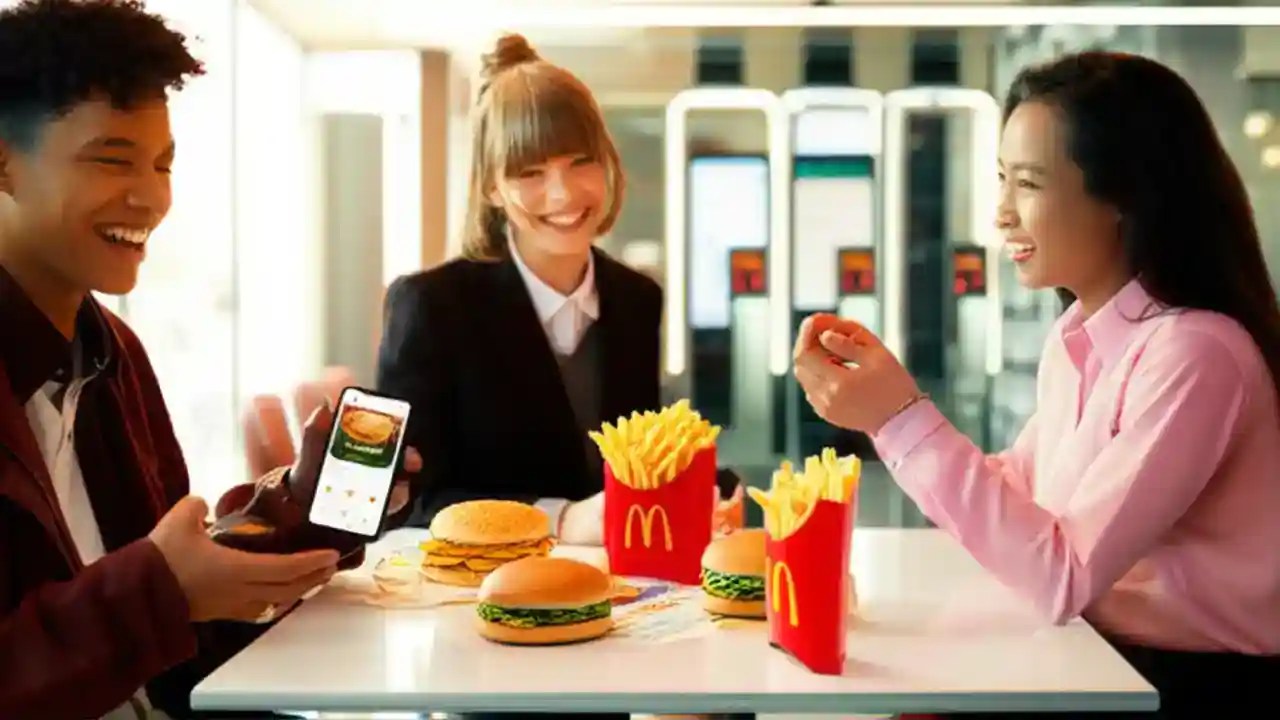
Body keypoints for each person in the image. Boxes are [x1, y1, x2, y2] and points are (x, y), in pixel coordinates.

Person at [794, 51, 1280, 717]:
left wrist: (901, 418)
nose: (1001, 213)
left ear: (1123, 195)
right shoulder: (1080, 336)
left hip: (1192, 684)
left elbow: (1063, 573)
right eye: (1002, 179)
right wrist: (884, 413)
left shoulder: (1197, 354)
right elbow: (1023, 488)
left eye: (1028, 183)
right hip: (1101, 657)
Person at [0, 2, 417, 718]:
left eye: (163, 164)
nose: (151, 196)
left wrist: (301, 512)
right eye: (112, 159)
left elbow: (179, 615)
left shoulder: (112, 354)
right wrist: (160, 589)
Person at [377, 33, 740, 547]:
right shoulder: (431, 307)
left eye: (580, 162)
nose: (563, 194)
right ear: (491, 187)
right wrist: (561, 519)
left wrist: (705, 491)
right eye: (530, 173)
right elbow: (405, 504)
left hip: (619, 597)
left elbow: (630, 465)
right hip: (473, 600)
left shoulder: (636, 298)